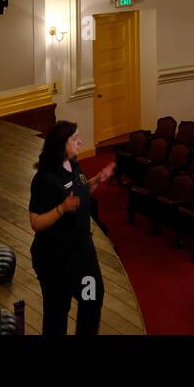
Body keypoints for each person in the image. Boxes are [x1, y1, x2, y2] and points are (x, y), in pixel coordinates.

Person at [28, 121, 114, 336]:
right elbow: (36, 222)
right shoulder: (45, 179)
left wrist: (96, 180)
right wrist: (61, 208)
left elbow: (80, 193)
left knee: (92, 298)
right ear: (60, 145)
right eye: (75, 139)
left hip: (82, 253)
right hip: (55, 260)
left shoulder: (73, 164)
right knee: (57, 313)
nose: (80, 142)